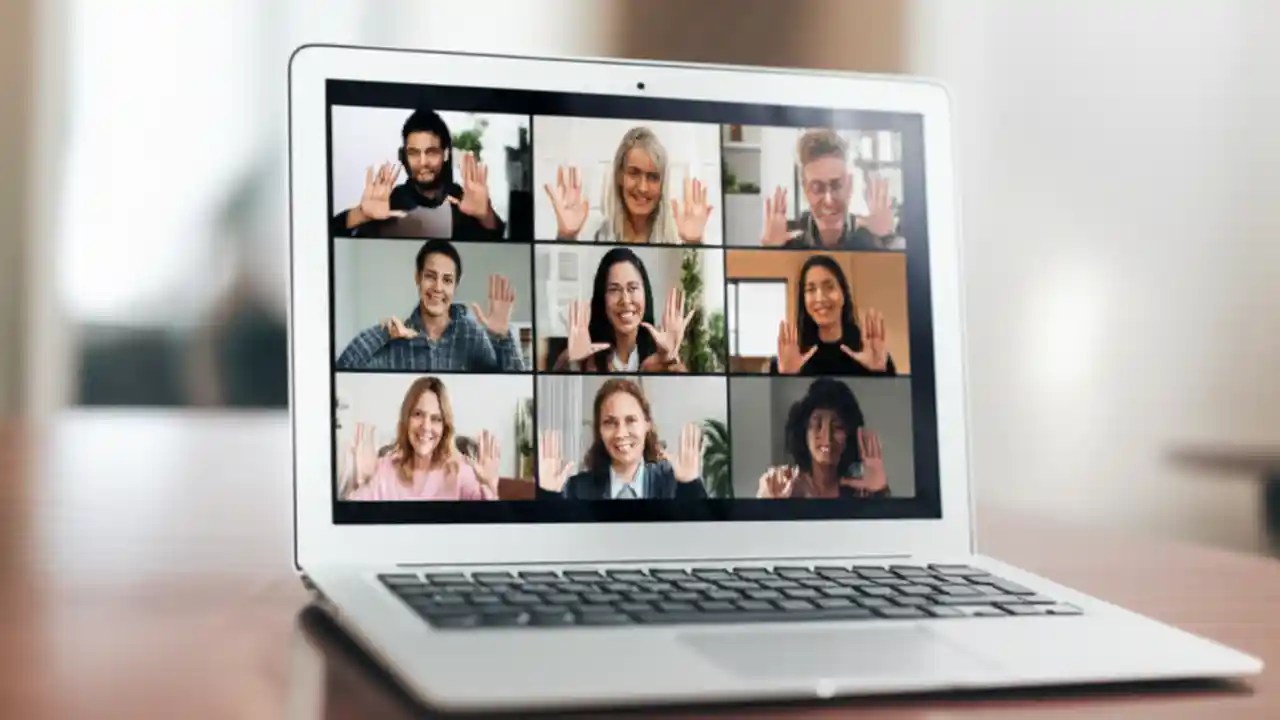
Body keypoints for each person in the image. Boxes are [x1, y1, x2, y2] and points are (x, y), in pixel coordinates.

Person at [336, 239, 525, 371]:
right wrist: (384, 333)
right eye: (430, 277)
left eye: (447, 280)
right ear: (417, 277)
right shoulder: (398, 340)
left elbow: (514, 381)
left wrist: (503, 336)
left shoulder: (471, 335)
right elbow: (343, 366)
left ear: (456, 285)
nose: (438, 288)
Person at [331, 108, 506, 240]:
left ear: (445, 154)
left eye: (431, 152)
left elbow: (500, 244)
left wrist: (485, 216)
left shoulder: (463, 201)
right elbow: (325, 237)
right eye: (414, 153)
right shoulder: (388, 203)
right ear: (404, 155)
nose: (423, 162)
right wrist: (361, 213)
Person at [537, 379, 708, 500]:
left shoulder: (673, 483)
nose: (620, 433)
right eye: (610, 423)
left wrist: (689, 485)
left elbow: (702, 537)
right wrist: (548, 495)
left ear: (647, 424)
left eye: (631, 420)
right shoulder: (576, 488)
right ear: (599, 430)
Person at [340, 376, 502, 501]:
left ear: (445, 427)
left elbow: (490, 531)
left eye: (436, 418)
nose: (426, 426)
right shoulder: (384, 469)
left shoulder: (462, 472)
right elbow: (351, 529)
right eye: (418, 414)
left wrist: (490, 486)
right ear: (406, 418)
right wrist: (362, 481)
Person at [544, 126, 713, 244]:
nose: (643, 187)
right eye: (634, 173)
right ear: (619, 175)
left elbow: (695, 292)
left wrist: (693, 243)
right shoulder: (595, 235)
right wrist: (566, 236)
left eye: (653, 177)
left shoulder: (676, 239)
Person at [550, 247, 692, 373]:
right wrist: (570, 360)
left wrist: (671, 360)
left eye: (632, 288)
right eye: (614, 289)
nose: (625, 299)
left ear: (645, 294)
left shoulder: (661, 351)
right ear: (602, 298)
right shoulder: (584, 353)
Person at [759, 128, 902, 251]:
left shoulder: (870, 238)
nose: (828, 200)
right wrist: (770, 252)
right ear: (805, 190)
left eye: (837, 185)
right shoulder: (789, 242)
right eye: (817, 188)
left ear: (850, 186)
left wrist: (885, 240)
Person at [757, 378, 889, 499]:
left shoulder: (860, 490)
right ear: (803, 431)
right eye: (817, 424)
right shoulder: (786, 488)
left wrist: (880, 491)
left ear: (849, 435)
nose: (827, 437)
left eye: (837, 427)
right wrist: (767, 503)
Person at [771, 254, 897, 376]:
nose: (820, 298)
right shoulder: (791, 357)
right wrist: (785, 376)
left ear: (843, 294)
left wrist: (880, 372)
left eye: (829, 287)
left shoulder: (868, 352)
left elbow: (895, 396)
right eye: (811, 289)